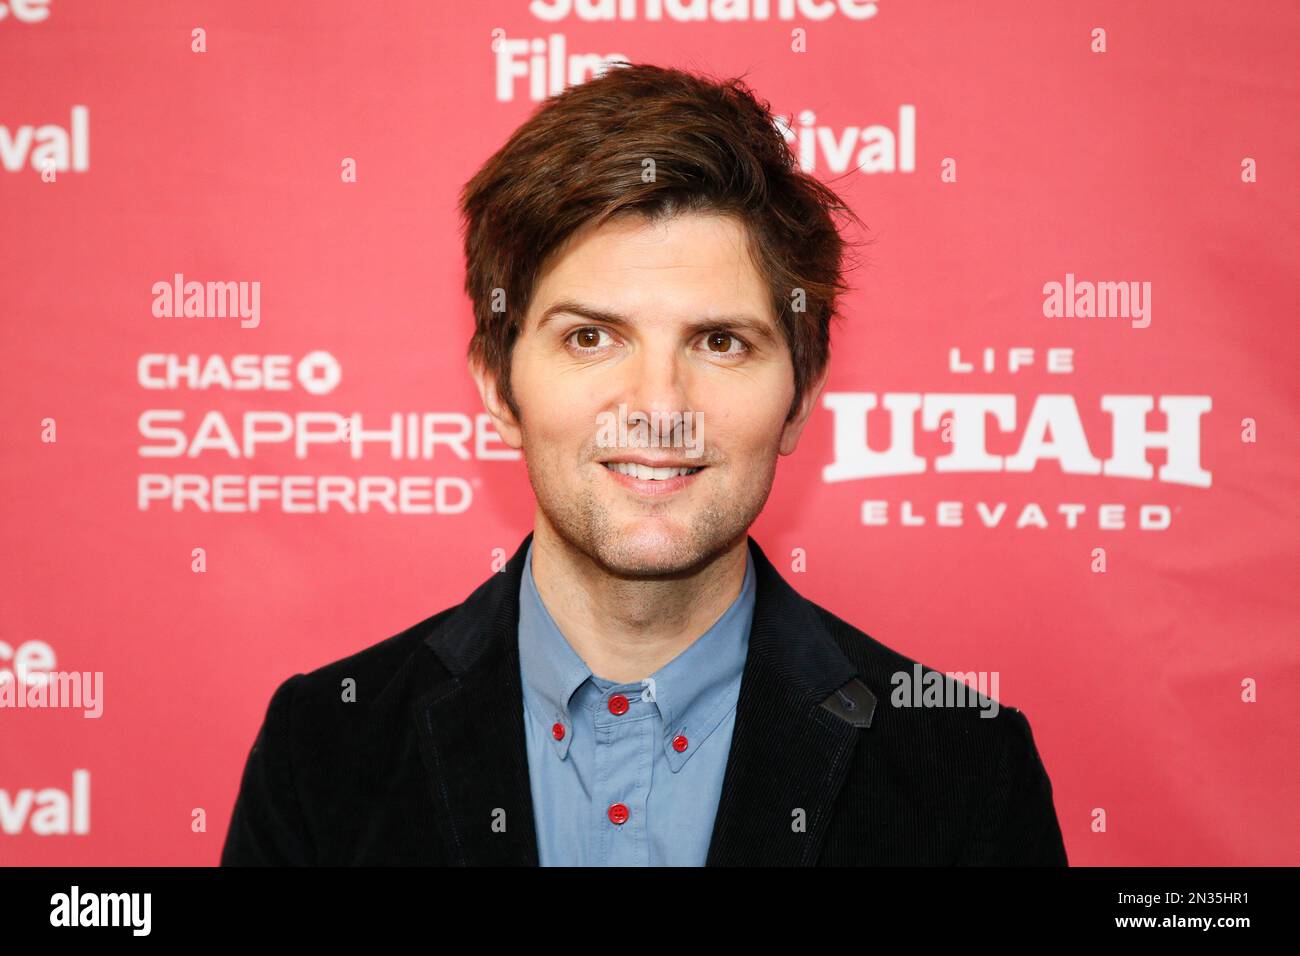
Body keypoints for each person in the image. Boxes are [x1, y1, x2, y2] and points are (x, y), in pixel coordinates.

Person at [221, 62, 1067, 866]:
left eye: (721, 342)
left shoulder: (966, 768)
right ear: (498, 386)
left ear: (801, 399)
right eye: (591, 338)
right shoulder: (325, 748)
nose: (659, 407)